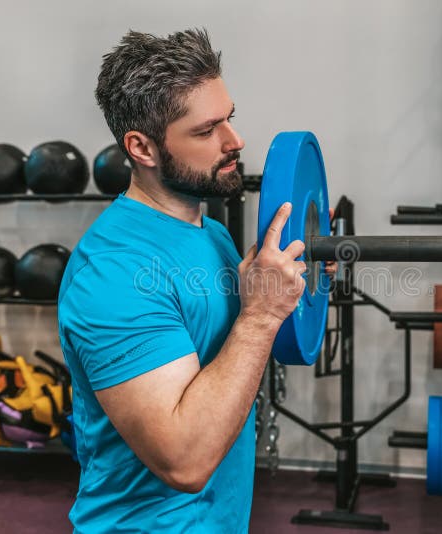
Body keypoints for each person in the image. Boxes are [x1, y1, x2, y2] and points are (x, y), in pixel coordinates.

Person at [58, 29, 332, 533]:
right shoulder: (113, 273)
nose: (235, 141)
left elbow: (226, 361)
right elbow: (184, 461)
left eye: (230, 118)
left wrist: (292, 276)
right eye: (207, 131)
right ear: (141, 147)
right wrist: (262, 313)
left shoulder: (213, 237)